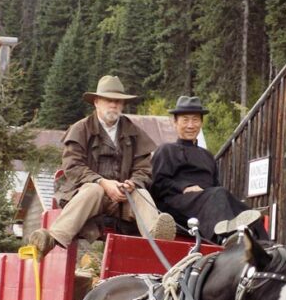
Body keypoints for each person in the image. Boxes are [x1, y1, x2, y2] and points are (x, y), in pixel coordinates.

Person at [28, 75, 176, 259]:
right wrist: (102, 182)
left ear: (123, 105)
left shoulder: (134, 132)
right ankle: (51, 238)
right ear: (96, 102)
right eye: (108, 100)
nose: (113, 105)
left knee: (141, 193)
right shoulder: (80, 129)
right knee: (94, 189)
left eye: (118, 101)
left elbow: (144, 168)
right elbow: (73, 166)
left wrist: (132, 183)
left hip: (122, 198)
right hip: (85, 196)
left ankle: (157, 237)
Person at [151, 96, 268, 243]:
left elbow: (215, 185)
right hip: (178, 204)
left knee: (246, 211)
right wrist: (184, 187)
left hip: (208, 201)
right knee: (218, 194)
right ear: (175, 122)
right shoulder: (166, 150)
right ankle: (224, 238)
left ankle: (265, 246)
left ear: (201, 123)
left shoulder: (207, 156)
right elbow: (158, 185)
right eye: (185, 120)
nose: (190, 125)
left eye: (195, 120)